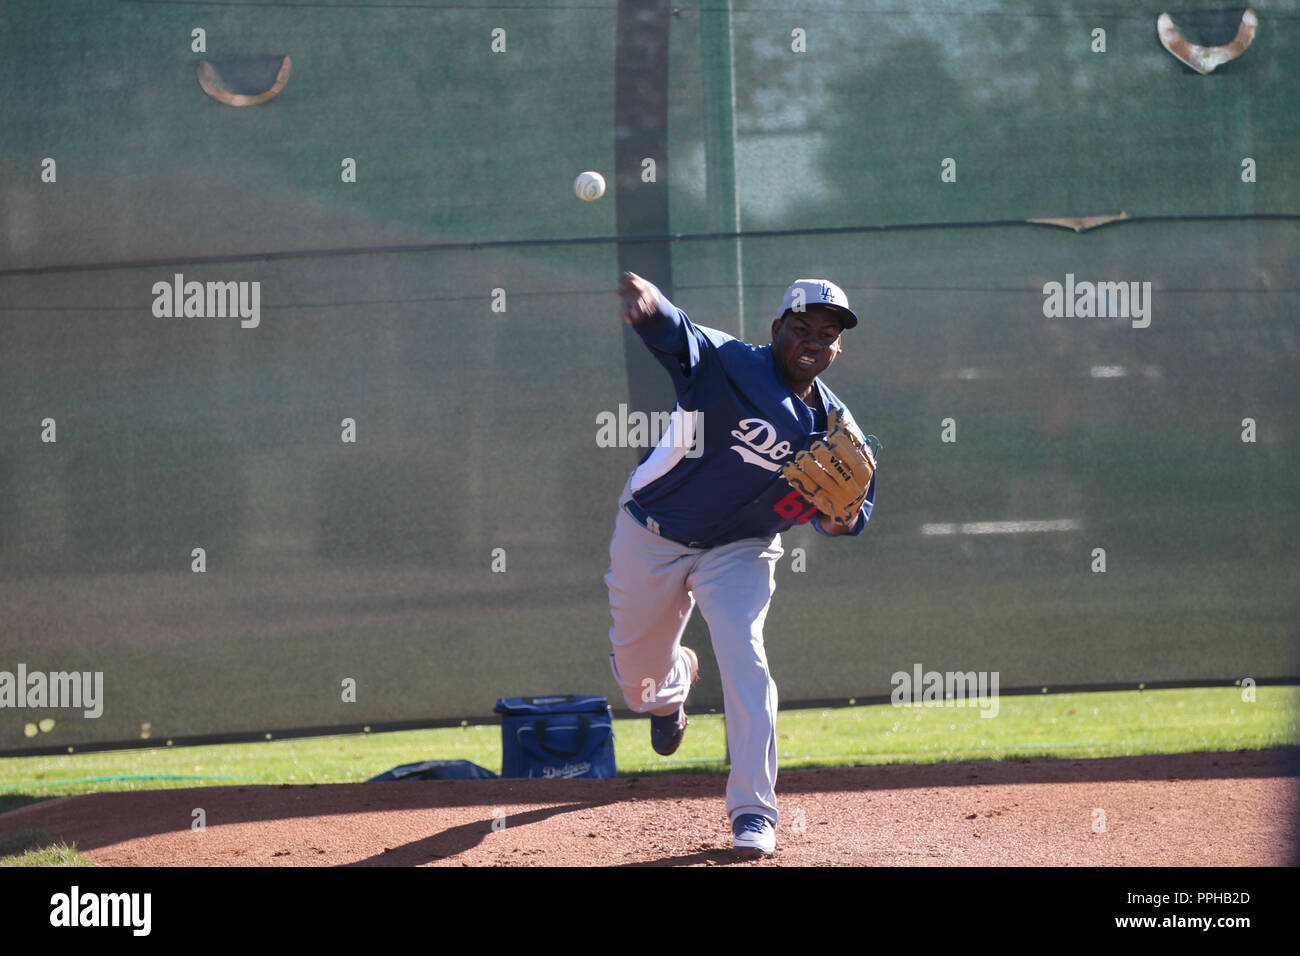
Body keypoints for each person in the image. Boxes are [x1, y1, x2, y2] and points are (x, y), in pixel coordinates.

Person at [605, 271, 876, 854]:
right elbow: (678, 333)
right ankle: (670, 690)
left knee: (747, 660)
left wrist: (835, 519)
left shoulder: (835, 426)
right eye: (802, 327)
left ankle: (754, 812)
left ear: (838, 347)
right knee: (638, 682)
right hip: (653, 531)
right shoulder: (728, 364)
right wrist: (649, 308)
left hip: (742, 551)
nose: (814, 341)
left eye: (828, 334)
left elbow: (849, 516)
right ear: (777, 328)